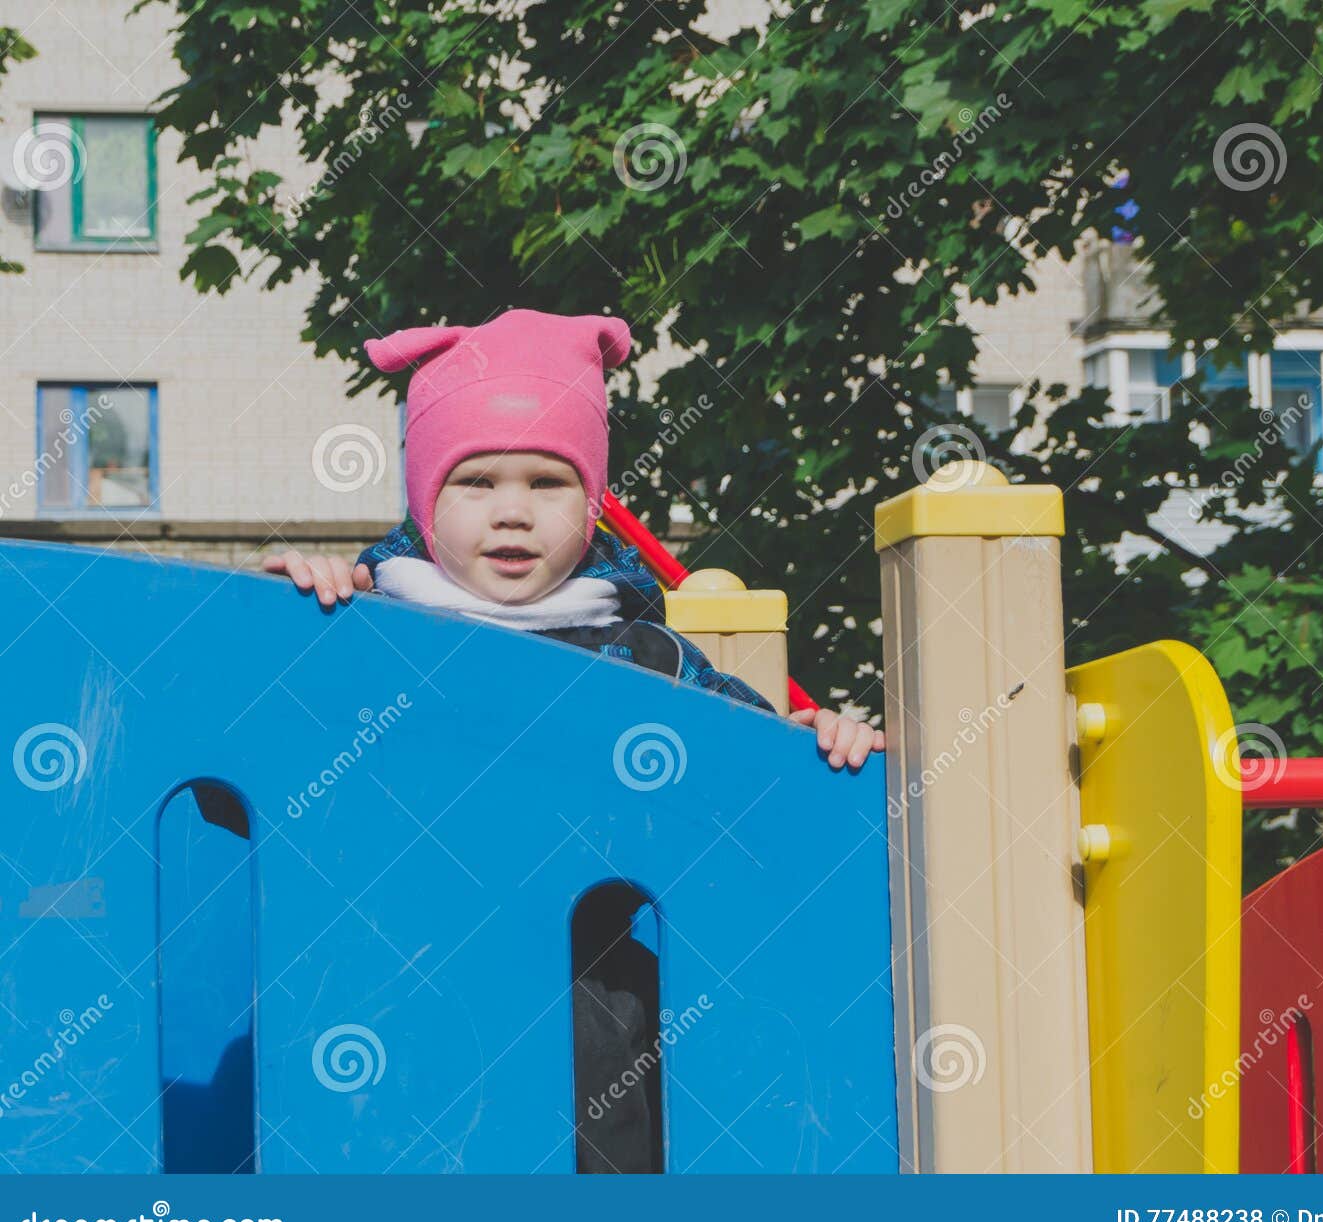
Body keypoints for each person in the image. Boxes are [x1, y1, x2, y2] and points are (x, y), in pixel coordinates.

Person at [263, 307, 885, 1171]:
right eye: (475, 481)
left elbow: (751, 766)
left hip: (594, 1006)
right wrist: (282, 618)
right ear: (421, 498)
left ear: (591, 504)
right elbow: (253, 749)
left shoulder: (645, 657)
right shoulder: (365, 633)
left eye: (547, 484)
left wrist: (816, 741)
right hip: (395, 985)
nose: (512, 513)